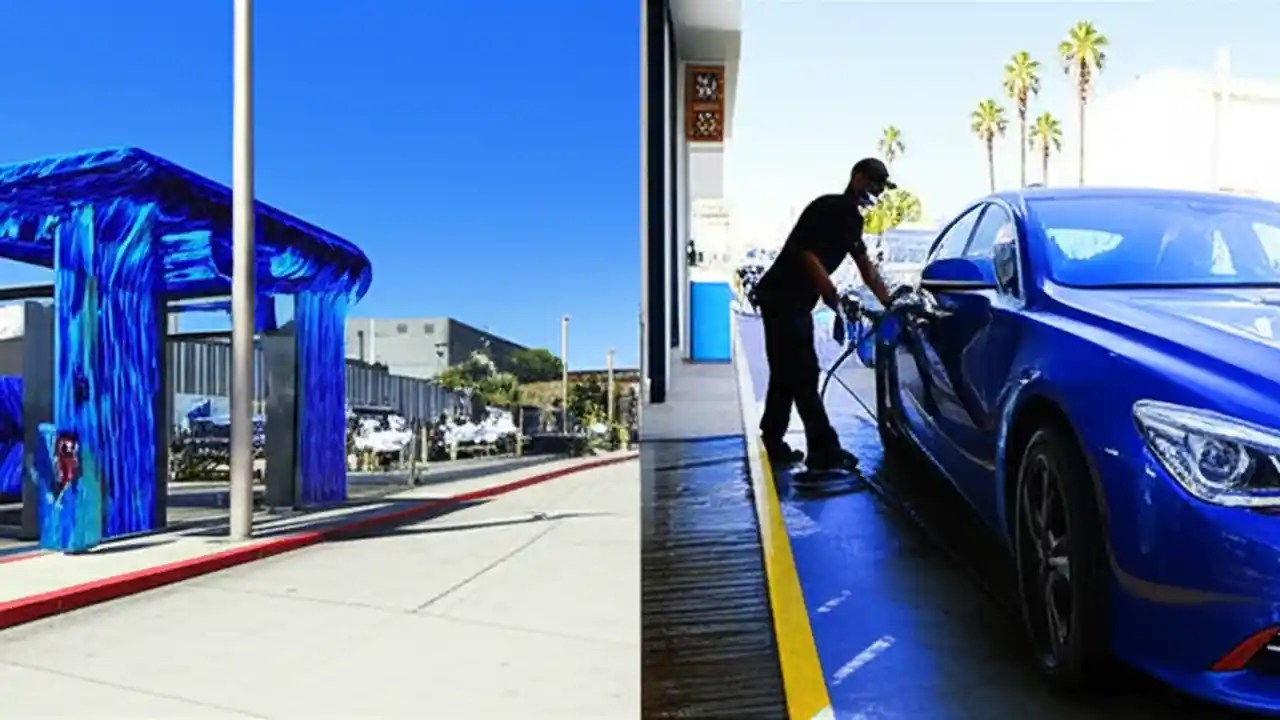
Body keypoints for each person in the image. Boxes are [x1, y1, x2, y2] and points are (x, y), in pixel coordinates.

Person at [749, 157, 897, 470]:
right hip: (783, 297)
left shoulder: (852, 220)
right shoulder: (830, 208)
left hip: (790, 300)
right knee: (803, 372)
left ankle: (773, 439)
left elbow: (865, 266)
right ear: (857, 177)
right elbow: (805, 253)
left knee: (785, 372)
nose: (877, 190)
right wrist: (833, 297)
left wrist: (890, 302)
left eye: (881, 186)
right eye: (874, 182)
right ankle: (823, 448)